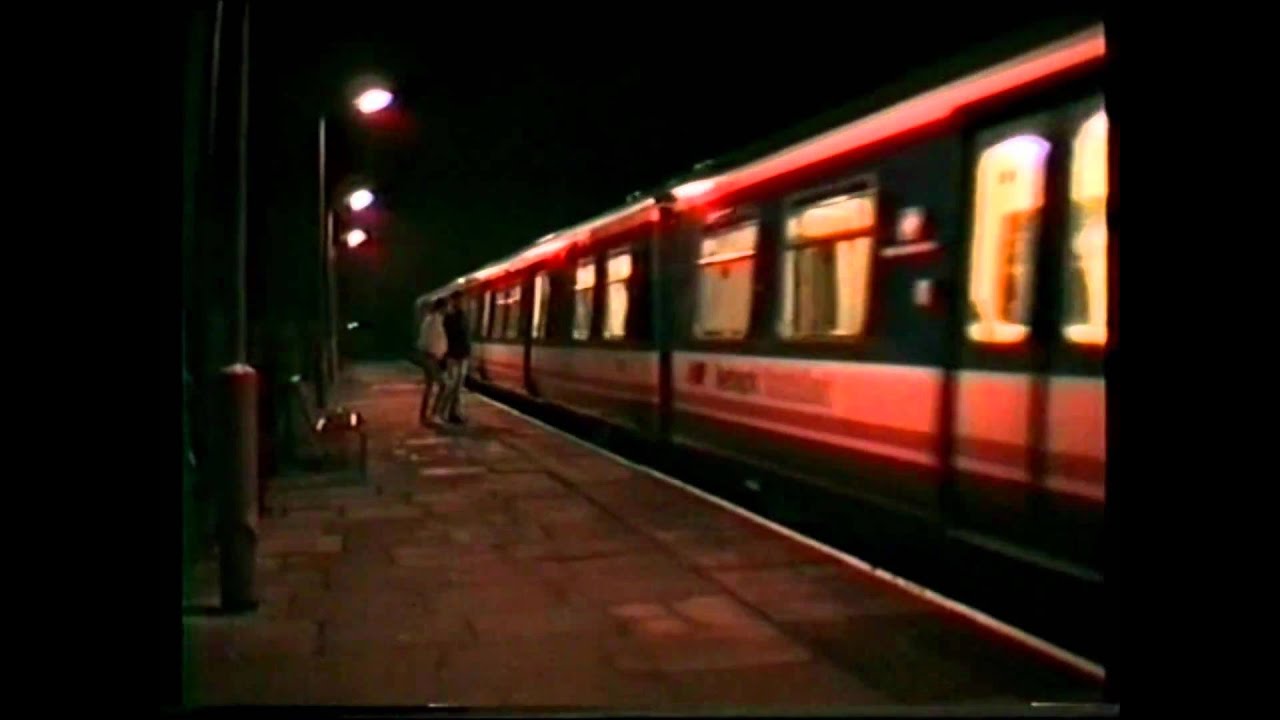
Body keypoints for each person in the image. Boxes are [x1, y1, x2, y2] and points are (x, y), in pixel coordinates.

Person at [439, 290, 471, 424]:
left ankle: (454, 413)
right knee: (452, 386)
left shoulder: (463, 316)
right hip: (453, 355)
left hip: (462, 354)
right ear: (453, 301)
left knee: (458, 386)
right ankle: (445, 412)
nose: (461, 302)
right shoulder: (449, 317)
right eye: (458, 300)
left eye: (461, 300)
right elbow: (447, 336)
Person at [416, 298, 448, 426]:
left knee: (429, 387)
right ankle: (434, 414)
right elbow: (432, 340)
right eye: (446, 307)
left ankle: (424, 415)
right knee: (443, 385)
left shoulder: (430, 319)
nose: (447, 310)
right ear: (441, 307)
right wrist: (439, 353)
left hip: (429, 356)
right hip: (431, 357)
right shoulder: (434, 321)